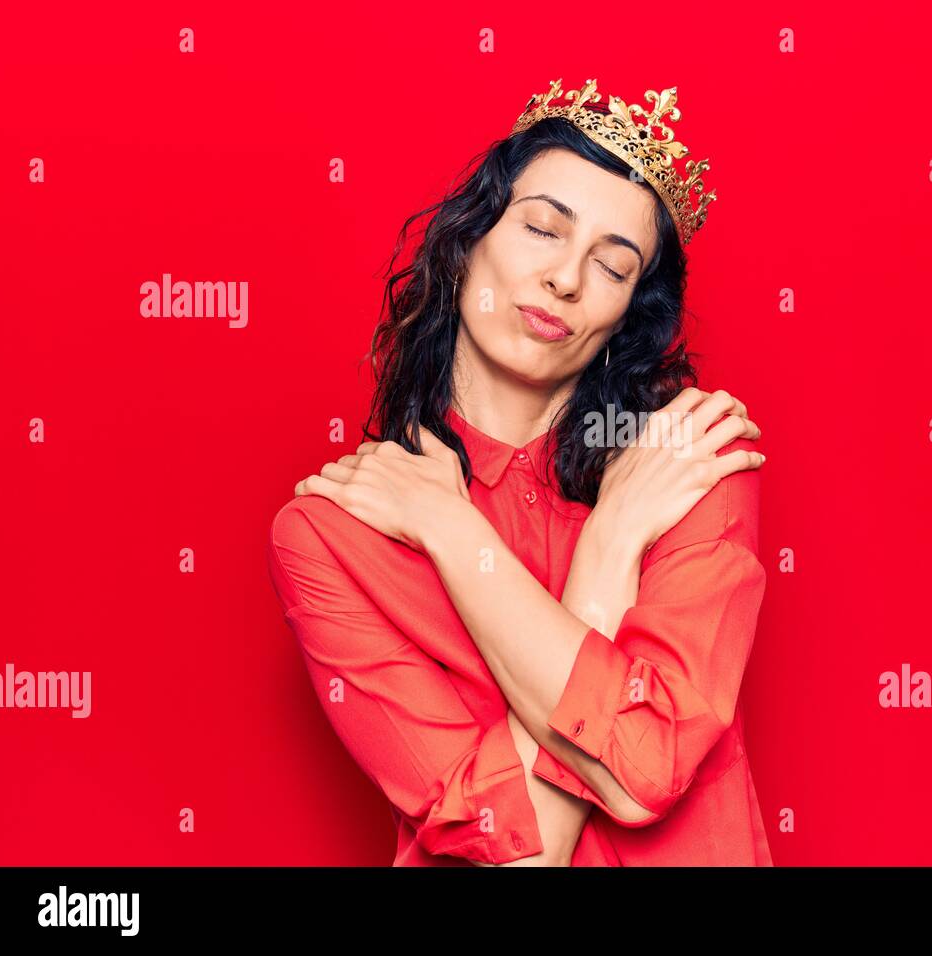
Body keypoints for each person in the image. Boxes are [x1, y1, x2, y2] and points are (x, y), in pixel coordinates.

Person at [266, 78, 772, 866]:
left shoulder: (688, 455)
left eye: (612, 266)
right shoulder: (332, 535)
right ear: (471, 239)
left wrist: (505, 530)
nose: (565, 279)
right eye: (542, 228)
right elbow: (522, 854)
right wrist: (595, 548)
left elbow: (644, 772)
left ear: (629, 312)